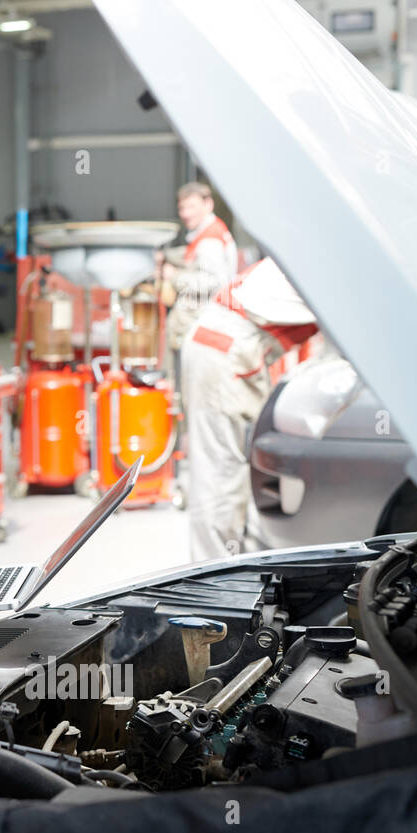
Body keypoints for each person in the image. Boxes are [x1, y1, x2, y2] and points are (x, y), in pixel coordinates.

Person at [181, 258, 317, 561]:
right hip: (223, 352)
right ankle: (212, 583)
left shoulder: (316, 251)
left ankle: (249, 570)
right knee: (221, 476)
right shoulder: (328, 263)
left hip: (229, 349)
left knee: (250, 471)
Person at [158, 181, 240, 355]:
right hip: (198, 329)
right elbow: (190, 257)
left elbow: (210, 282)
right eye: (182, 208)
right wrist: (165, 256)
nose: (186, 213)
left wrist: (174, 276)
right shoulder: (205, 234)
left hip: (202, 331)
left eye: (192, 207)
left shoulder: (211, 240)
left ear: (208, 204)